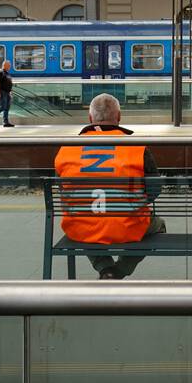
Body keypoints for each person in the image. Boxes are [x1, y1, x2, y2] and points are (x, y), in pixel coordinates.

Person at [53, 93, 165, 280]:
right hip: (127, 226)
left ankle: (105, 269)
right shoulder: (137, 147)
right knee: (159, 226)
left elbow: (64, 189)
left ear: (90, 118)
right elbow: (154, 189)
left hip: (82, 227)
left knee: (82, 224)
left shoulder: (67, 148)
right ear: (119, 118)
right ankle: (120, 270)